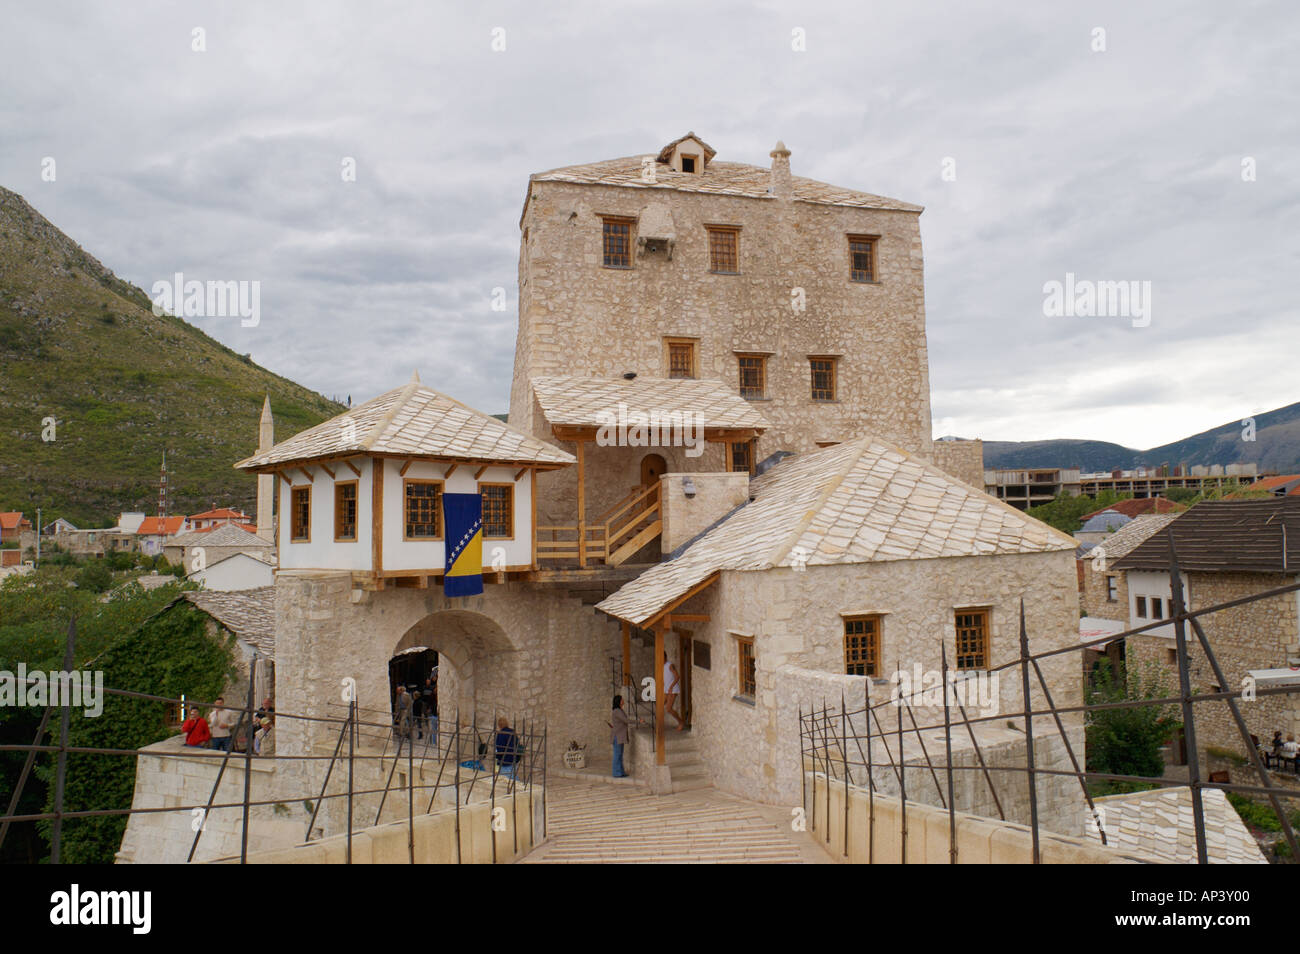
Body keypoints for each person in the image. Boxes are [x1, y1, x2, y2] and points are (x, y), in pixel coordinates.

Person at [610, 694, 640, 778]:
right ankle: (616, 772)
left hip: (620, 736)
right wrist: (638, 721)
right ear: (619, 701)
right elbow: (626, 720)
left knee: (619, 754)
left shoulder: (619, 710)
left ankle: (620, 772)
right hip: (618, 736)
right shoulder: (617, 711)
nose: (623, 701)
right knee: (617, 754)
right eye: (622, 700)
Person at [663, 657, 686, 731]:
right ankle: (659, 725)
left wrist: (671, 687)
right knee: (660, 704)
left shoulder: (670, 665)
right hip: (666, 689)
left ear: (664, 657)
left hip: (672, 690)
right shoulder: (661, 666)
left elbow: (677, 677)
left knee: (668, 708)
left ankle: (681, 722)